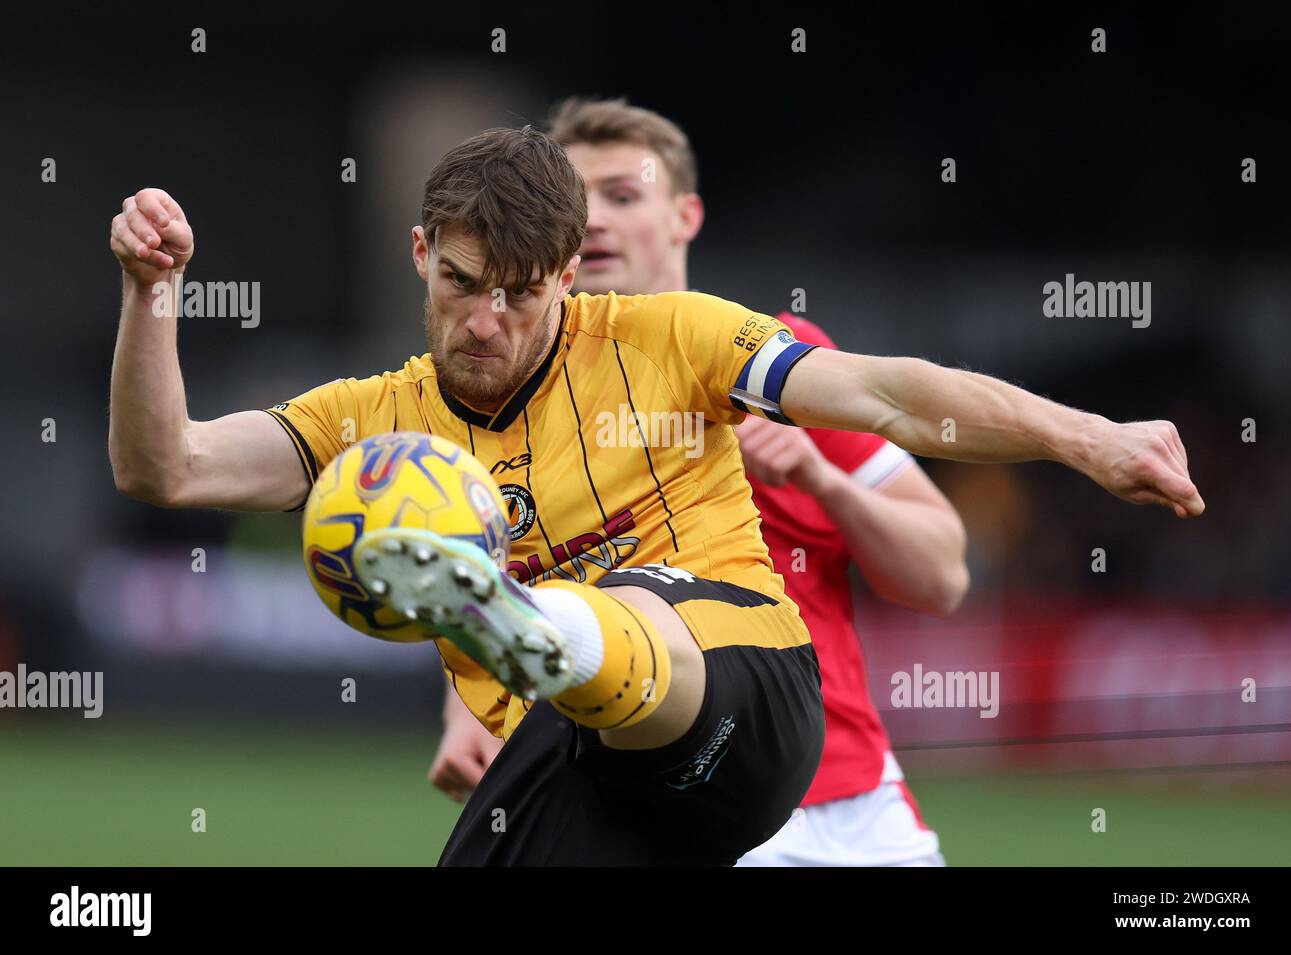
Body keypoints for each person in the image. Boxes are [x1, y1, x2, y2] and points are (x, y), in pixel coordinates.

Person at [107, 126, 1203, 866]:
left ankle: (525, 620)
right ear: (419, 253)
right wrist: (151, 297)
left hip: (744, 701)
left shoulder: (674, 339)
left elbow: (882, 392)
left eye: (519, 296)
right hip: (585, 775)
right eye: (459, 285)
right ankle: (525, 630)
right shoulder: (367, 416)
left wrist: (1087, 435)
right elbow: (170, 468)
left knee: (638, 604)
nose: (484, 321)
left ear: (567, 278)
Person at [430, 99, 966, 866]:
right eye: (579, 204)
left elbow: (943, 574)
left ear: (686, 215)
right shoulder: (515, 395)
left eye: (623, 195)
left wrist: (823, 479)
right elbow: (508, 576)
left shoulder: (786, 368)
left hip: (850, 803)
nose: (599, 222)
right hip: (667, 806)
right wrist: (464, 713)